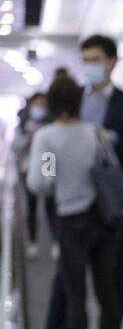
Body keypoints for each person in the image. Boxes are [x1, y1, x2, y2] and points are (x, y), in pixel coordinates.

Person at [41, 34, 123, 329]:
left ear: (112, 61)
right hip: (72, 210)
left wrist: (114, 140)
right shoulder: (76, 102)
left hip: (109, 212)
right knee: (66, 288)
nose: (90, 66)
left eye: (96, 59)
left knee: (110, 289)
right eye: (85, 60)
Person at [25, 75, 123, 329]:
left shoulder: (48, 137)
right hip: (103, 221)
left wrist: (56, 176)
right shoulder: (94, 132)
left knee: (75, 293)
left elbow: (41, 183)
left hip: (71, 220)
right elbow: (112, 169)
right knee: (108, 293)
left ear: (52, 104)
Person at [14, 92, 60, 260]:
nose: (40, 107)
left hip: (48, 163)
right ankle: (32, 241)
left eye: (43, 104)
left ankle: (56, 241)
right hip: (28, 165)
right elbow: (15, 145)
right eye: (37, 103)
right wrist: (29, 138)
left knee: (50, 205)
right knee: (31, 205)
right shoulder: (23, 122)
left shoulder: (52, 122)